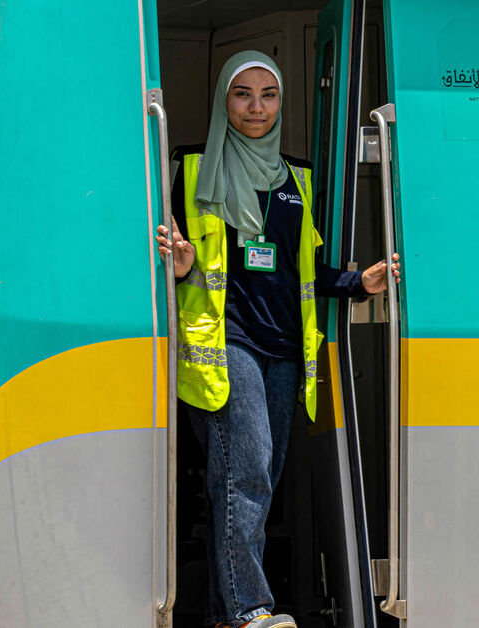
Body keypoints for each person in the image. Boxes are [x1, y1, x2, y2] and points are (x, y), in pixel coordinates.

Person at [155, 50, 399, 628]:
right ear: (223, 100)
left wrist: (357, 283)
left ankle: (223, 614)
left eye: (268, 95)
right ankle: (250, 609)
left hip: (285, 350)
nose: (256, 107)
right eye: (243, 94)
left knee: (246, 482)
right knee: (248, 474)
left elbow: (305, 266)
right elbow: (174, 253)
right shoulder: (188, 166)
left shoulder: (299, 178)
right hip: (224, 344)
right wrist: (183, 266)